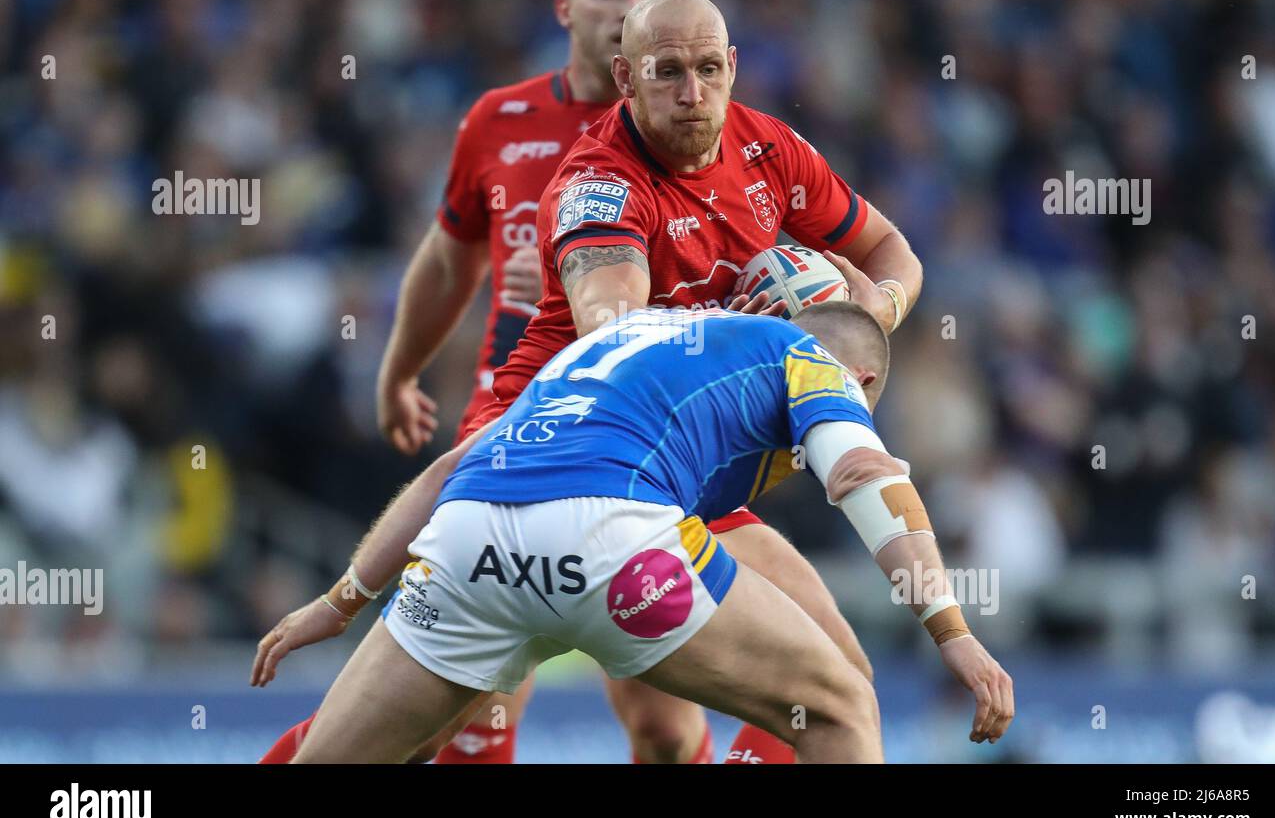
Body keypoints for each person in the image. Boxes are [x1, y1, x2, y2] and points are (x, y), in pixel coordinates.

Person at [456, 0, 926, 763]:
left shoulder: (769, 150)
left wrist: (868, 319)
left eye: (708, 69)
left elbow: (892, 255)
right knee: (449, 727)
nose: (692, 92)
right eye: (667, 71)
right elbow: (616, 331)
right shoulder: (600, 185)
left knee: (738, 713)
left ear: (734, 67)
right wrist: (750, 342)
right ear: (624, 77)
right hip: (541, 460)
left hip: (673, 480)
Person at [259, 0, 674, 764]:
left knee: (668, 728)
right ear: (566, 7)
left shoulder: (695, 134)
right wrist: (400, 368)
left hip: (646, 452)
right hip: (513, 436)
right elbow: (450, 258)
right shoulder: (500, 120)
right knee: (460, 718)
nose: (630, 9)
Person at [250, 304, 1014, 763]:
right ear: (867, 384)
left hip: (464, 535)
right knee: (841, 703)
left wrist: (341, 601)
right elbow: (866, 479)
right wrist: (952, 633)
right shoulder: (809, 358)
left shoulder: (624, 341)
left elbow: (448, 466)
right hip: (609, 540)